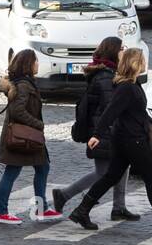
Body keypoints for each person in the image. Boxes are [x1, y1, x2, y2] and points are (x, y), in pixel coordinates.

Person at [68, 49, 152, 234]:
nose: (144, 63)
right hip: (133, 140)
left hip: (125, 138)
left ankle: (82, 210)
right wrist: (97, 135)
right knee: (151, 178)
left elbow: (132, 112)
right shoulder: (127, 87)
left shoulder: (130, 84)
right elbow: (110, 112)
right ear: (135, 63)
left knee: (111, 176)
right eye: (142, 60)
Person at [52, 37, 138, 222]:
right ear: (114, 51)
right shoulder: (106, 76)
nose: (124, 51)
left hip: (107, 130)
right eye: (122, 48)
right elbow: (111, 108)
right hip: (104, 132)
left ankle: (119, 207)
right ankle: (64, 195)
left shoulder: (109, 72)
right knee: (103, 173)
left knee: (122, 168)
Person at [0, 50, 62, 224]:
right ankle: (1, 212)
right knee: (12, 171)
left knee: (42, 167)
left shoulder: (26, 83)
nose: (38, 64)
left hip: (29, 136)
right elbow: (17, 111)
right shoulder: (24, 85)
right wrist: (37, 124)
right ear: (28, 64)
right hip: (23, 136)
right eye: (36, 61)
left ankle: (41, 209)